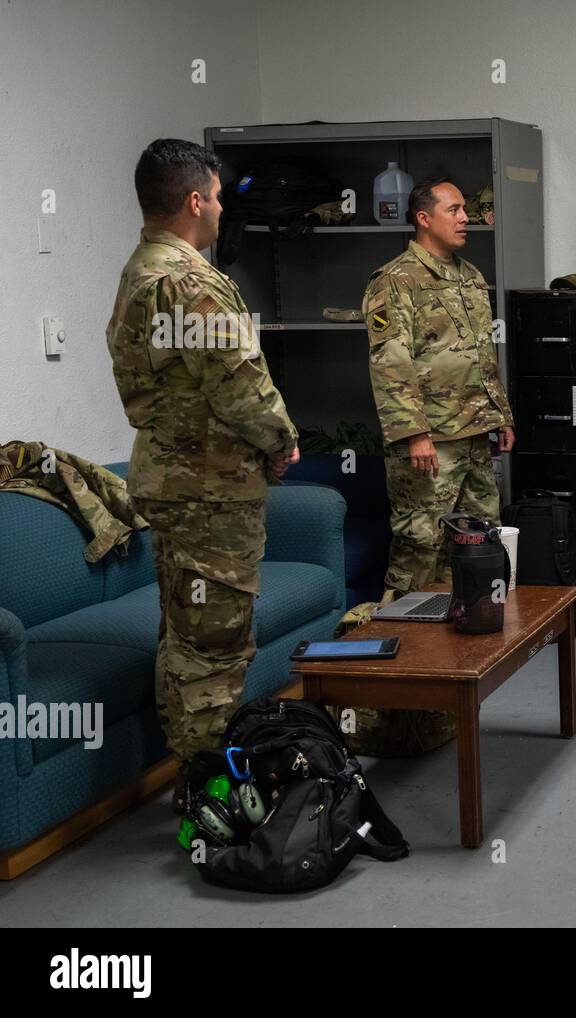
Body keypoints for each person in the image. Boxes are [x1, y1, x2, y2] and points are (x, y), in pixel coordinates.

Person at [105, 139, 299, 803]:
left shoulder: (138, 272)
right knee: (213, 649)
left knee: (183, 639)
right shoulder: (190, 282)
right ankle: (213, 793)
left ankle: (195, 779)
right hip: (210, 492)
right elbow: (240, 387)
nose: (219, 209)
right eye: (215, 198)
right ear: (195, 201)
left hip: (170, 482)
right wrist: (281, 440)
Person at [364, 179, 515, 595]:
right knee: (422, 542)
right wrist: (415, 435)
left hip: (474, 435)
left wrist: (501, 415)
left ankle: (466, 639)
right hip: (430, 440)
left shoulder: (470, 277)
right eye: (454, 210)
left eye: (465, 208)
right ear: (424, 219)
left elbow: (482, 354)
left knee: (479, 538)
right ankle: (400, 640)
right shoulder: (395, 280)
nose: (466, 218)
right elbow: (390, 364)